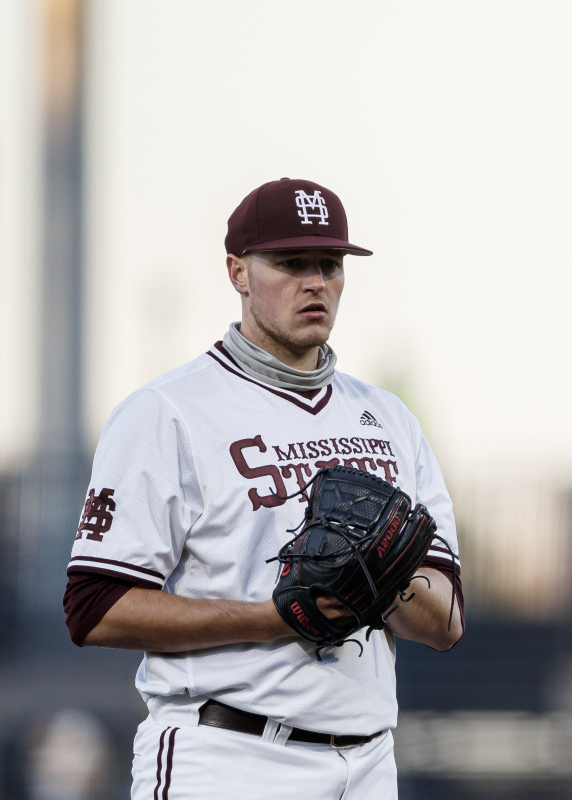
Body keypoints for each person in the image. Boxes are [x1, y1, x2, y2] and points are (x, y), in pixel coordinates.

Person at [63, 177, 464, 799]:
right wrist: (274, 618)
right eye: (290, 262)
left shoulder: (389, 420)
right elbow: (94, 608)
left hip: (370, 763)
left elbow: (444, 624)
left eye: (330, 264)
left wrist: (385, 578)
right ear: (237, 272)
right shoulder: (168, 412)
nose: (316, 282)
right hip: (226, 754)